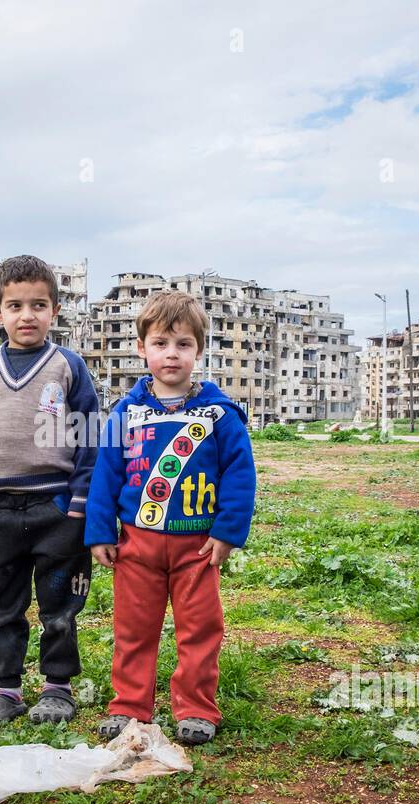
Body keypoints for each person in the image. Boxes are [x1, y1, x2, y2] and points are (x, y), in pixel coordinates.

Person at [84, 290, 255, 746]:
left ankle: (197, 708)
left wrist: (228, 531)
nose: (171, 354)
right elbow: (106, 472)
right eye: (160, 343)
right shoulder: (126, 412)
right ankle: (128, 705)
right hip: (136, 544)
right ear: (142, 349)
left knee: (200, 627)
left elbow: (240, 475)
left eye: (183, 344)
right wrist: (100, 529)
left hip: (197, 546)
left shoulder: (220, 414)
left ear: (199, 350)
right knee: (133, 627)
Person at [0, 255, 99, 729]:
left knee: (60, 606)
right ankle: (7, 690)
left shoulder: (68, 367)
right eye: (15, 305)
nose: (26, 315)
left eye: (38, 305)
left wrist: (78, 503)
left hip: (57, 508)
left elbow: (91, 437)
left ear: (55, 310)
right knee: (1, 608)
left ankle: (58, 688)